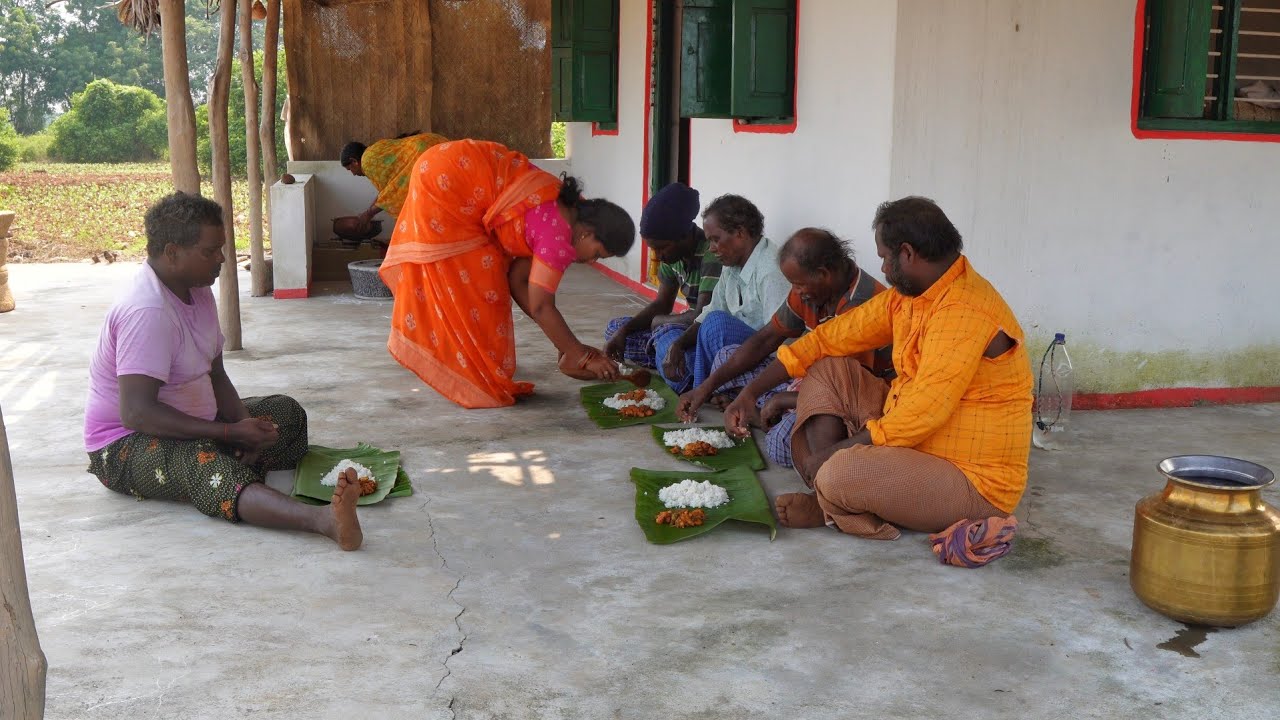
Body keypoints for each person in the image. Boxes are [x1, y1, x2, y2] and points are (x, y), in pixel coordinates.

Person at [723, 197, 1033, 541]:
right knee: (827, 370)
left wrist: (838, 451)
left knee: (842, 471)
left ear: (907, 253)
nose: (882, 269)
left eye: (885, 258)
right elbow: (829, 339)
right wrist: (749, 393)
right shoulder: (911, 296)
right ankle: (835, 490)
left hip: (970, 480)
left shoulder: (963, 309)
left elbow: (923, 413)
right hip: (910, 444)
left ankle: (830, 499)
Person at [84, 193, 363, 550]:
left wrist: (246, 427)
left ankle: (234, 469)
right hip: (125, 445)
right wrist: (229, 432)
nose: (221, 259)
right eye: (210, 251)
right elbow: (137, 413)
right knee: (204, 465)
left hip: (194, 424)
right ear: (172, 253)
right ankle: (323, 521)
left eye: (221, 248)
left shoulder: (197, 290)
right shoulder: (147, 311)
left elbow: (215, 374)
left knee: (286, 414)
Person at [379, 139, 635, 408]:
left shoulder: (566, 207)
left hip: (445, 163)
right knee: (480, 287)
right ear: (587, 233)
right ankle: (470, 374)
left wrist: (567, 346)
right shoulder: (559, 236)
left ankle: (473, 365)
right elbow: (541, 306)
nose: (591, 261)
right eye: (597, 253)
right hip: (448, 183)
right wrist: (579, 354)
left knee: (491, 275)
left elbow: (518, 280)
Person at [676, 228, 888, 467]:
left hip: (855, 401)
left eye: (798, 284)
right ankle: (765, 410)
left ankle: (769, 415)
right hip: (807, 381)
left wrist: (781, 399)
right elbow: (765, 340)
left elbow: (843, 393)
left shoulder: (862, 305)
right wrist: (707, 388)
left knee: (780, 444)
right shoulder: (812, 290)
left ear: (823, 274)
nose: (795, 292)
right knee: (726, 357)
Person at [657, 194, 790, 393]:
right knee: (668, 339)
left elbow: (776, 340)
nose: (711, 249)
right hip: (731, 353)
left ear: (740, 233)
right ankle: (703, 383)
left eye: (715, 239)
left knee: (716, 325)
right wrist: (678, 345)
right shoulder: (731, 264)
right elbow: (710, 310)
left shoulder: (771, 270)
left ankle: (701, 389)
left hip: (766, 359)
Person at [603, 182, 721, 369]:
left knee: (667, 335)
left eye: (661, 248)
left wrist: (660, 321)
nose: (658, 256)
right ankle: (667, 357)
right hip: (684, 325)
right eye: (653, 249)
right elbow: (662, 304)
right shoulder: (672, 257)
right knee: (615, 328)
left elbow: (703, 316)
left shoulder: (712, 253)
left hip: (705, 331)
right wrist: (624, 331)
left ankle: (674, 360)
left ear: (684, 235)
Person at [341, 131, 450, 223]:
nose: (353, 174)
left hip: (429, 155)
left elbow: (393, 192)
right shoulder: (374, 149)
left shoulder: (367, 161)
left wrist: (368, 214)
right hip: (440, 145)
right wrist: (368, 212)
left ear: (354, 161)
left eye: (350, 169)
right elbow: (388, 190)